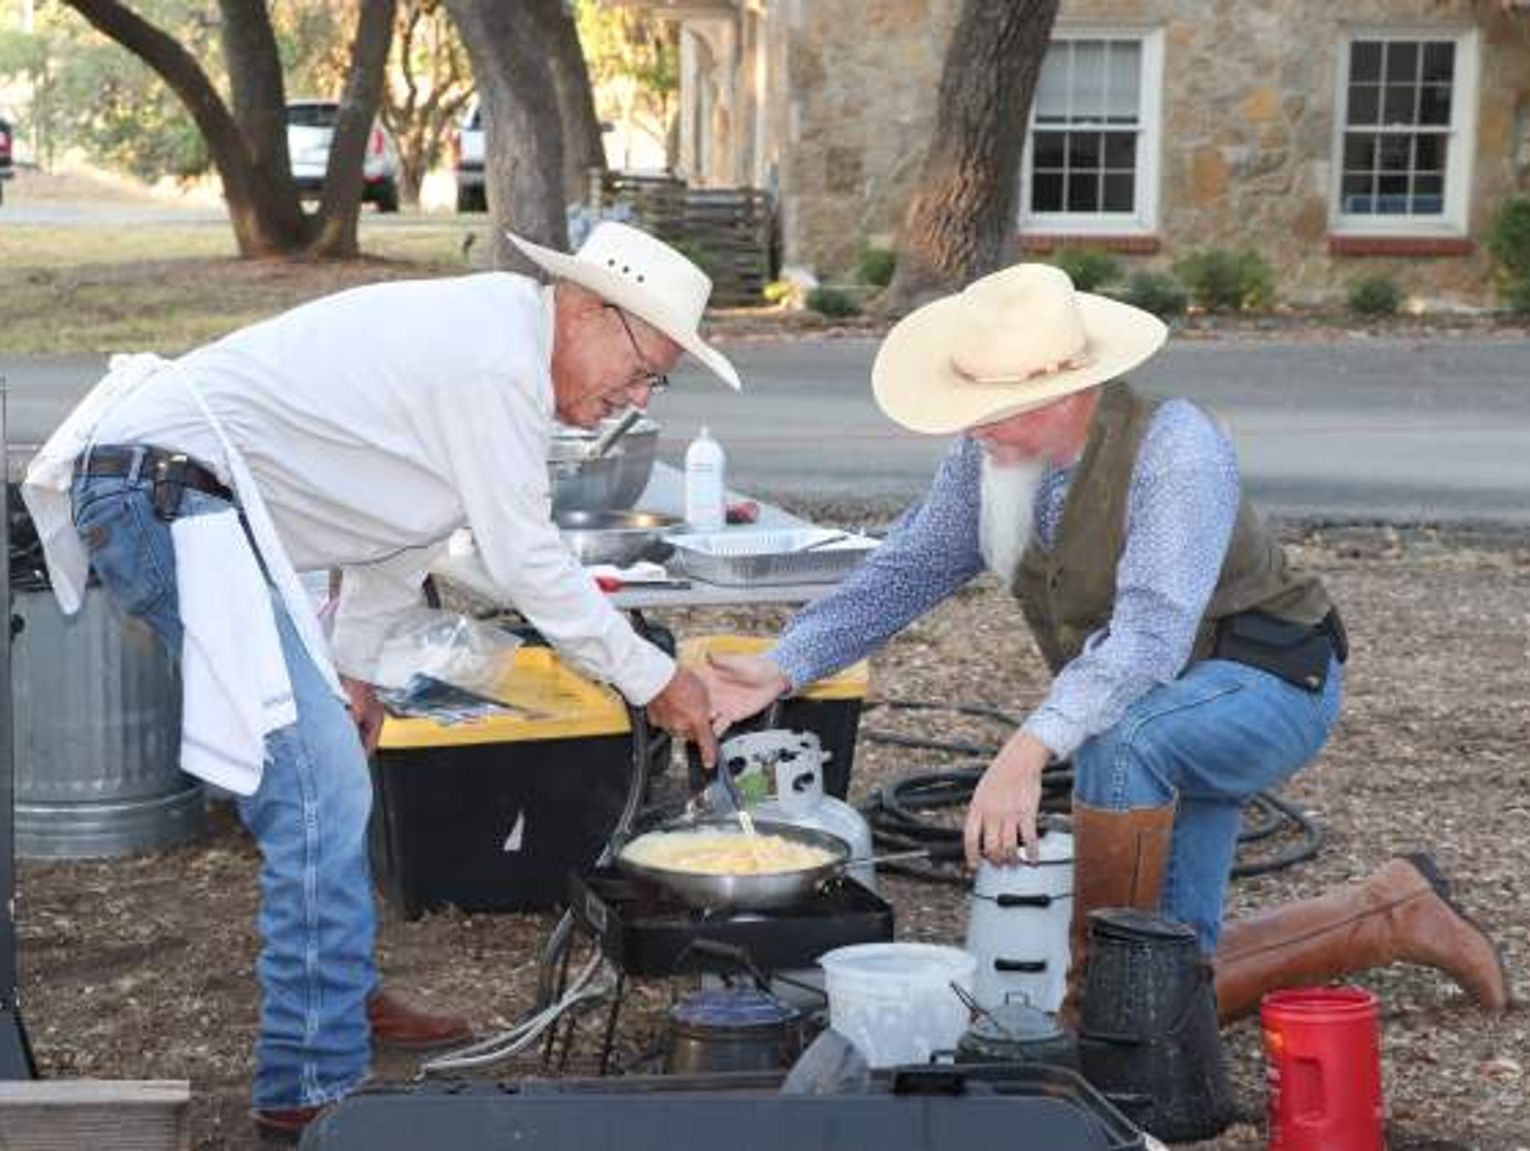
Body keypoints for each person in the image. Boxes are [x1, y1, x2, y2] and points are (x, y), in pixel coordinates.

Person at [22, 222, 733, 1138]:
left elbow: (401, 534)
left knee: (331, 770)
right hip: (161, 494)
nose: (630, 401)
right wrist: (652, 677)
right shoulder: (492, 360)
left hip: (192, 500)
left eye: (652, 387)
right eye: (641, 372)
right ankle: (309, 1090)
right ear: (591, 309)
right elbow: (528, 562)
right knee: (316, 786)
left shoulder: (498, 352)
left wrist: (355, 666)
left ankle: (338, 999)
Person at [701, 262, 1510, 1024]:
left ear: (1063, 391)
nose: (972, 425)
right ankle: (1390, 910)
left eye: (991, 404)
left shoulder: (1176, 446)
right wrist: (785, 663)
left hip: (1271, 678)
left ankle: (1090, 1019)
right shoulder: (986, 454)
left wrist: (1027, 748)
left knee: (1119, 745)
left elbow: (1152, 633)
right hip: (1161, 698)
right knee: (1174, 973)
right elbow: (909, 567)